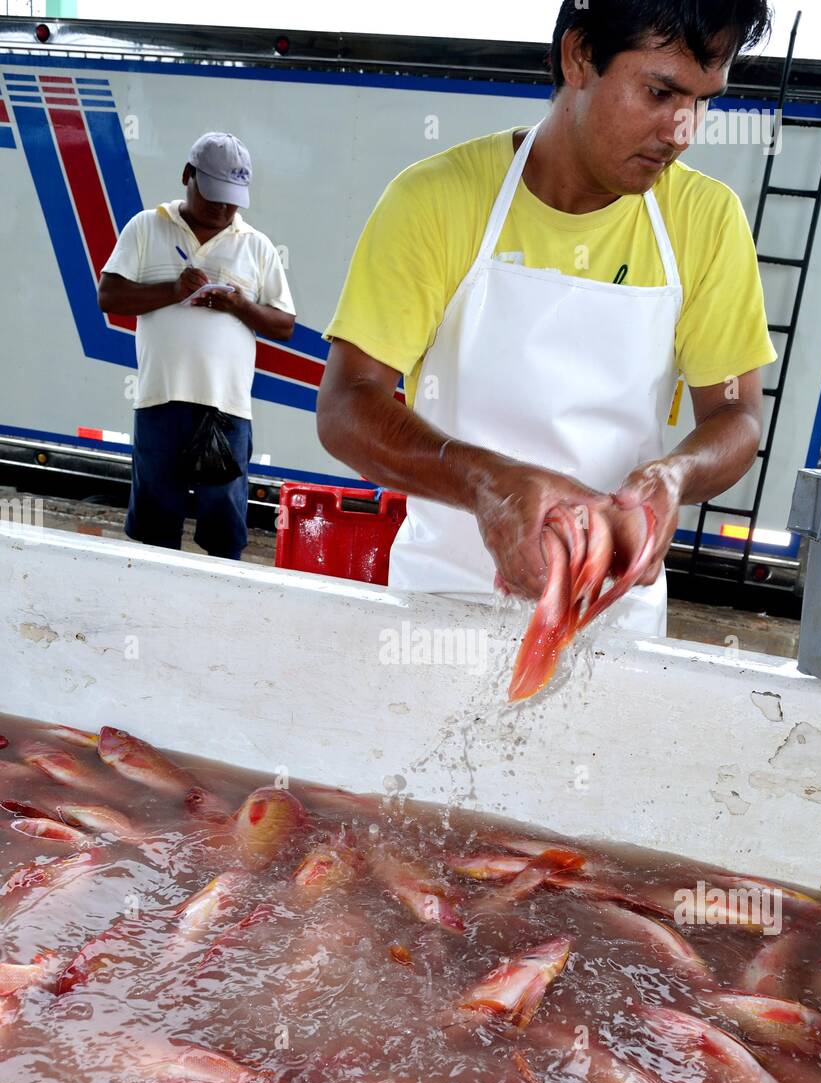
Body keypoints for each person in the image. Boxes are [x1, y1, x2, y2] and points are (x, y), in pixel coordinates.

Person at [317, 0, 777, 634]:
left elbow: (736, 415)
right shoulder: (437, 200)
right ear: (579, 56)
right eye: (660, 92)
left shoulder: (706, 220)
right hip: (442, 605)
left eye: (703, 102)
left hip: (614, 616)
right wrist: (486, 483)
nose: (682, 132)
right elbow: (346, 405)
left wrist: (676, 475)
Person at [98, 132, 296, 561]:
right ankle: (154, 596)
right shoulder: (146, 226)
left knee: (225, 529)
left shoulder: (256, 246)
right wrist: (173, 290)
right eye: (213, 195)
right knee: (156, 522)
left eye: (232, 200)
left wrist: (239, 305)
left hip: (227, 409)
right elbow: (108, 297)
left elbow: (284, 326)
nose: (222, 208)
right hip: (160, 400)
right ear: (187, 175)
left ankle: (221, 597)